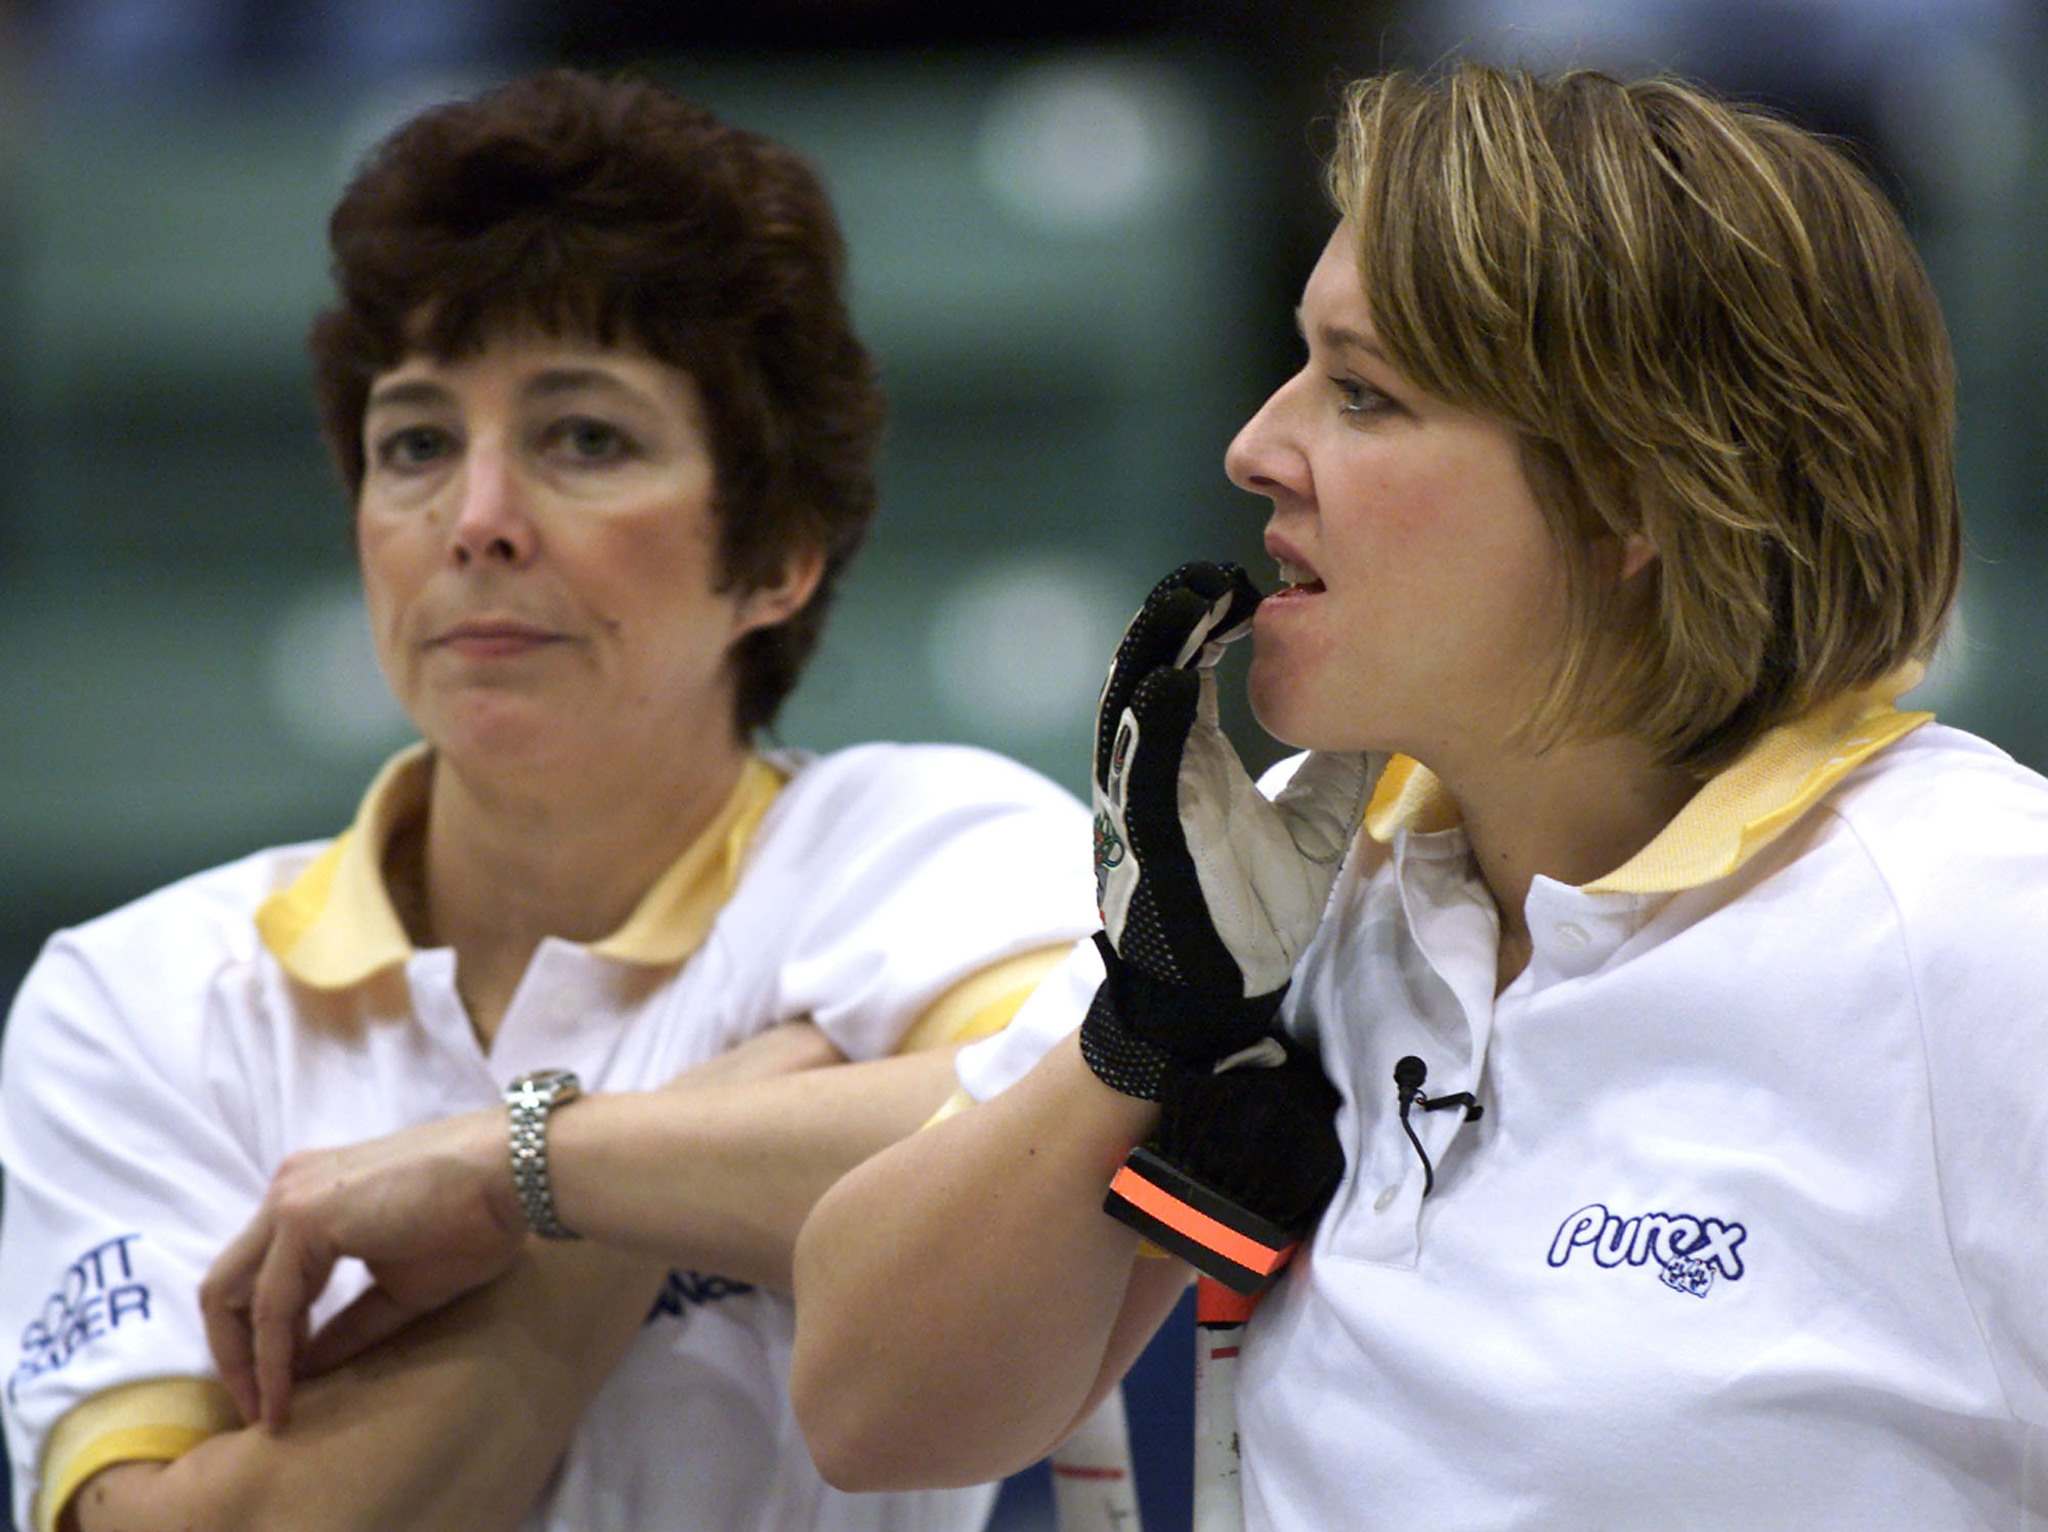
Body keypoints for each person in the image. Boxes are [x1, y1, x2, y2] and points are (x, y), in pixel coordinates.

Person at [790, 62, 2048, 1528]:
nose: (1255, 449)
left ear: (1634, 492)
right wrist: (1148, 1032)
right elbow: (873, 1409)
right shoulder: (1317, 867)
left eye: (1362, 392)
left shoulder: (1980, 928)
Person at [0, 70, 1098, 1532]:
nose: (477, 521)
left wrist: (515, 1165)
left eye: (585, 439)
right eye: (414, 444)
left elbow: (1079, 1140)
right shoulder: (137, 1000)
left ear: (778, 551)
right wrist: (672, 1162)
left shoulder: (928, 852)